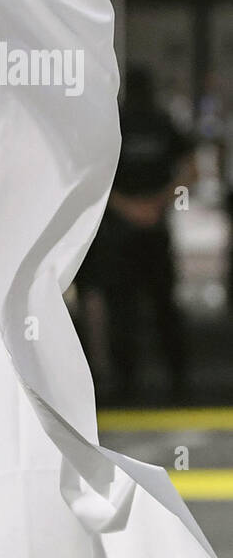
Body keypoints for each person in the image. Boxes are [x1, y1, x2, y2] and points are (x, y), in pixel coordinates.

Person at [87, 64, 197, 404]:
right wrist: (153, 205)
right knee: (146, 307)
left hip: (132, 230)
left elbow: (95, 177)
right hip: (138, 229)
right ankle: (161, 380)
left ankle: (141, 381)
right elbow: (190, 168)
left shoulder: (129, 124)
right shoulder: (154, 123)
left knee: (139, 308)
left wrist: (137, 206)